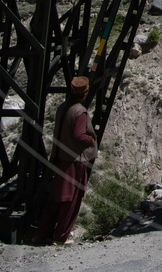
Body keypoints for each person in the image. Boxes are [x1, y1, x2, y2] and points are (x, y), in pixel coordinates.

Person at [35, 75, 98, 244]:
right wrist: (91, 140)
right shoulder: (80, 111)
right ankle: (61, 236)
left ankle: (41, 234)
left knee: (57, 198)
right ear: (85, 93)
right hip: (74, 161)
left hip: (59, 158)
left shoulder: (62, 108)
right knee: (71, 200)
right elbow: (79, 135)